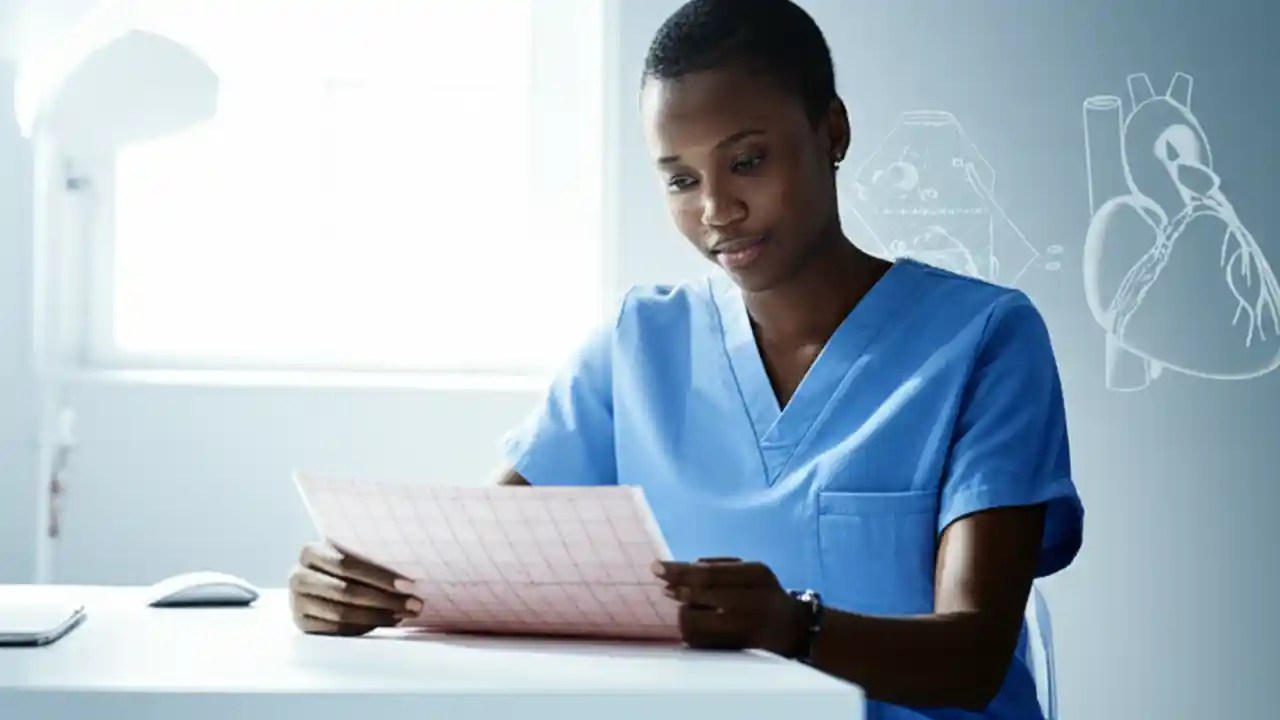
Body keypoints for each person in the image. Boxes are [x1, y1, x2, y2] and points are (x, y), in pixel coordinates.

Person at [287, 1, 1084, 717]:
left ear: (832, 132)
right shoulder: (642, 346)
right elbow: (477, 566)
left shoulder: (983, 339)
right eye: (679, 178)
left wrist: (792, 626)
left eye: (747, 162)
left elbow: (974, 656)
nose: (715, 210)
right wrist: (361, 589)